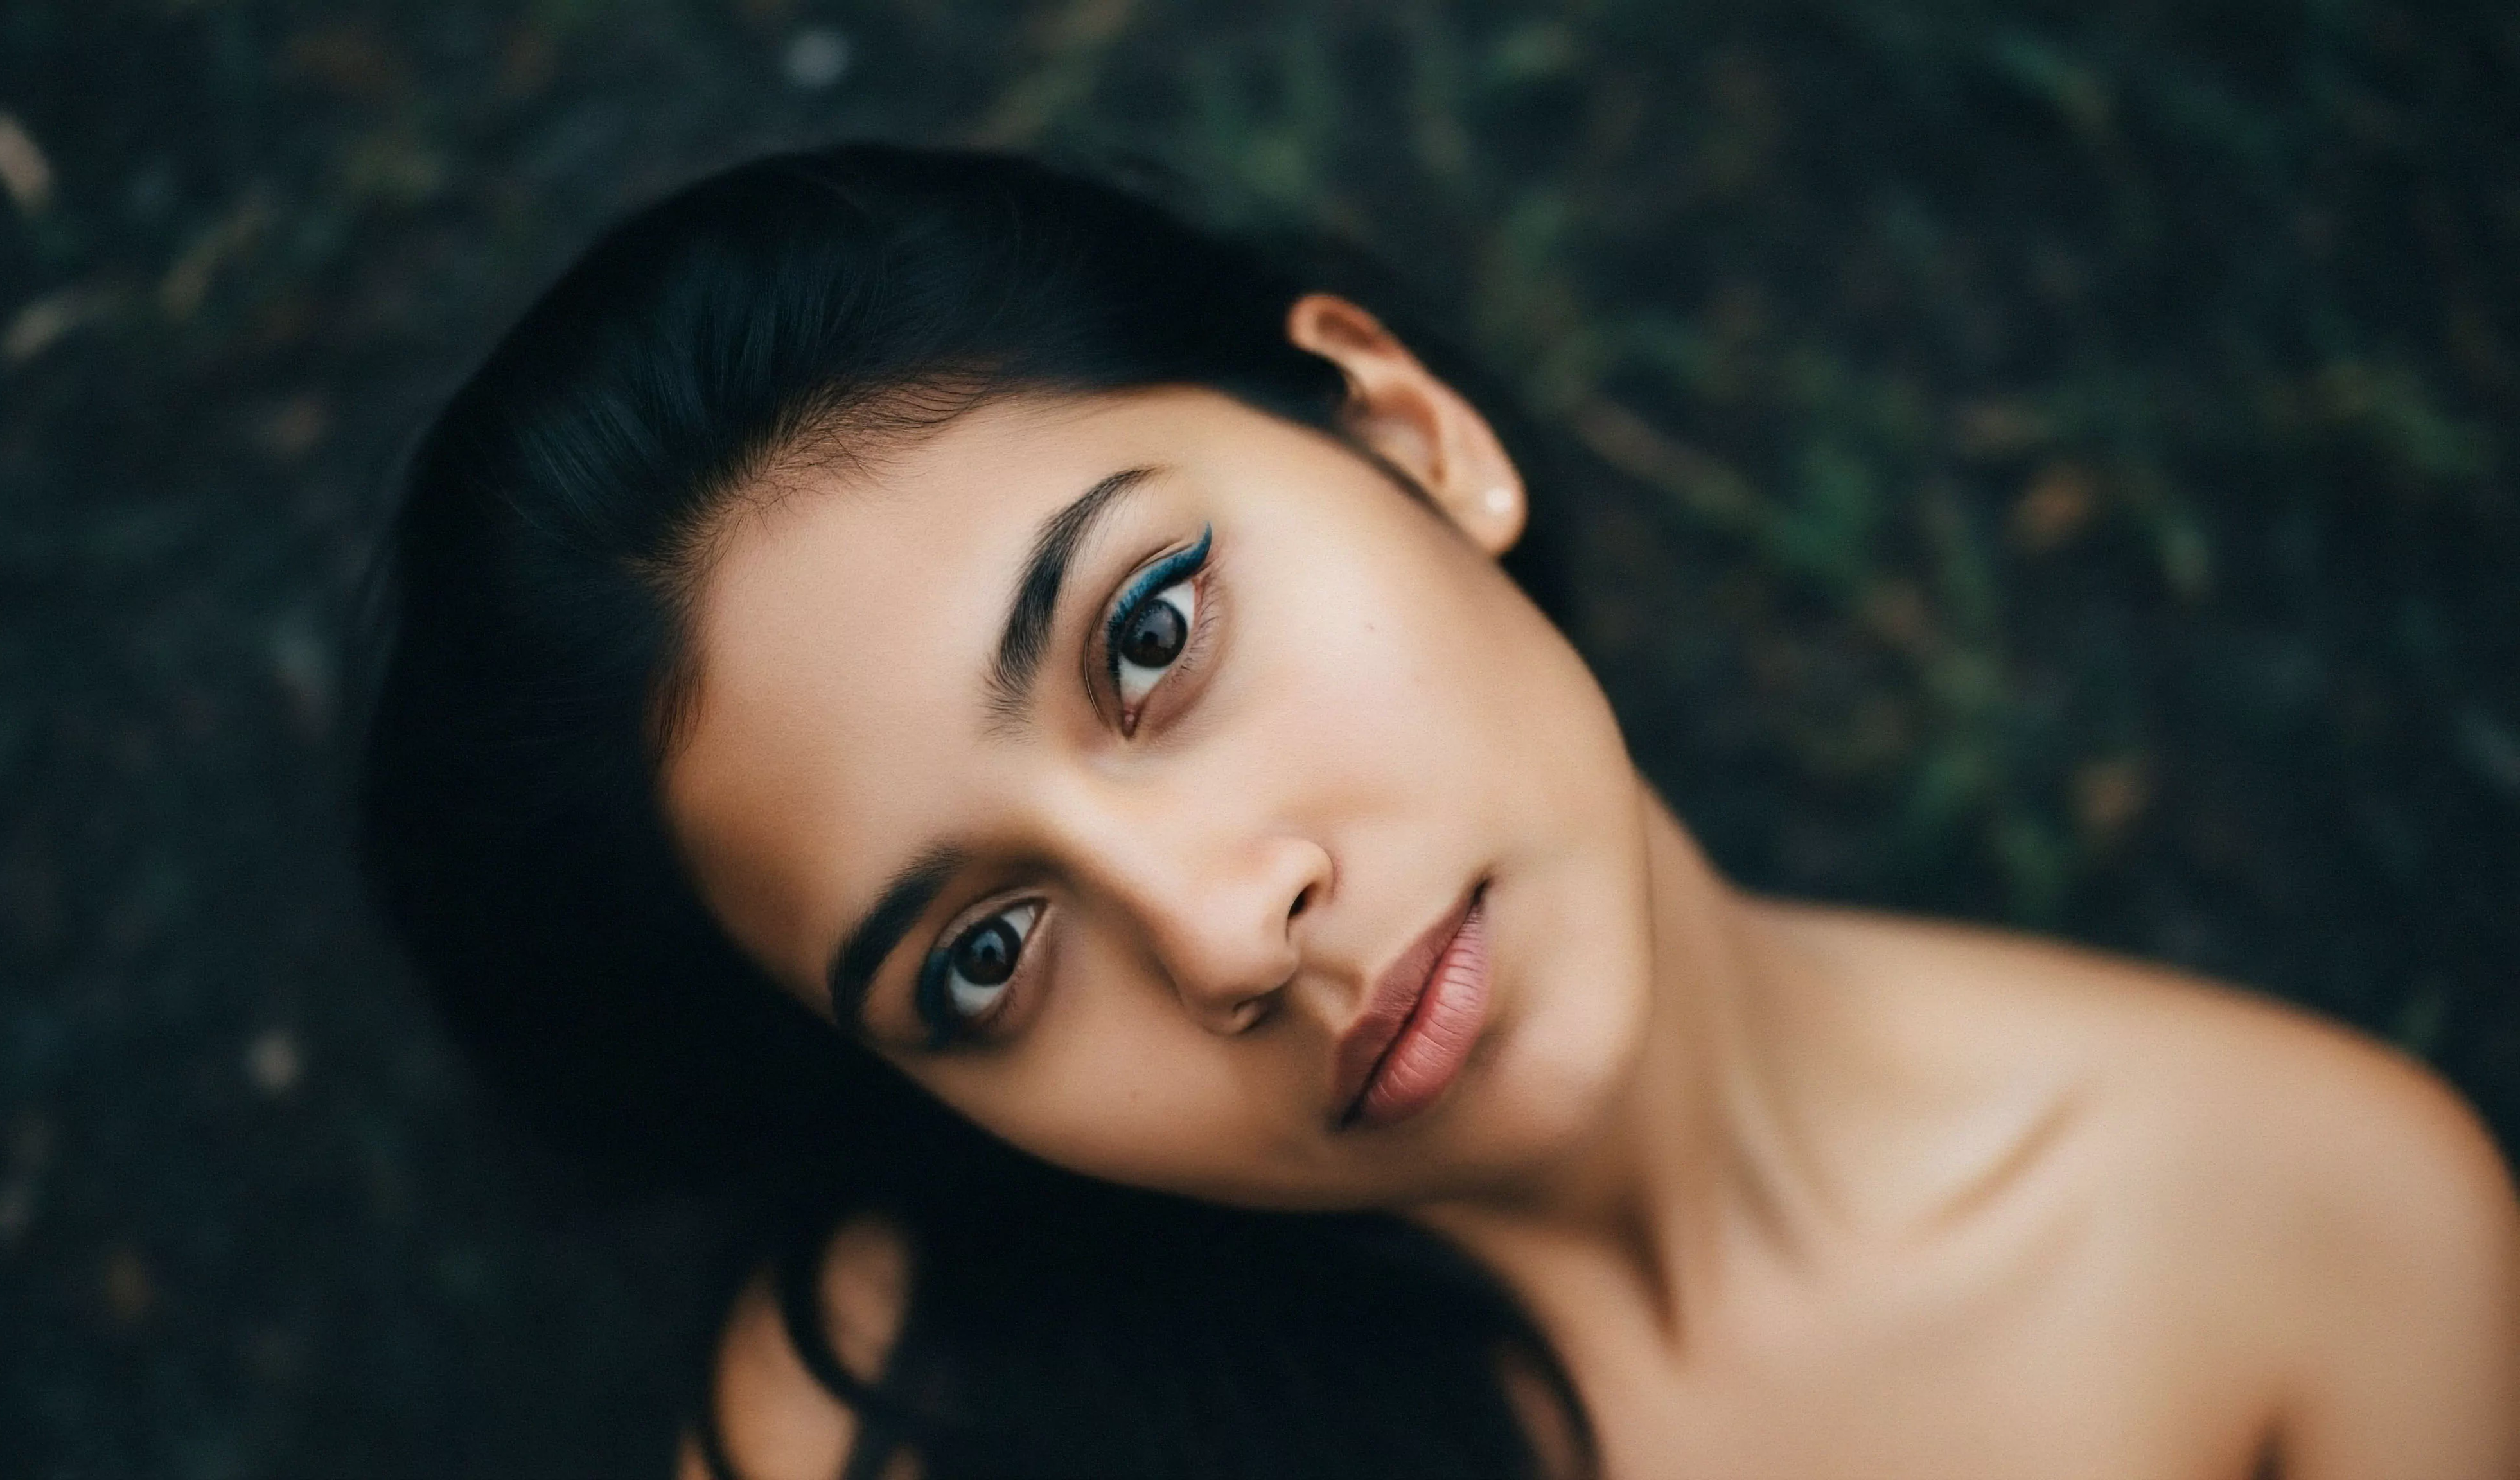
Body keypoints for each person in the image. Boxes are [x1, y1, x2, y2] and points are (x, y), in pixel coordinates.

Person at [355, 145, 2520, 1480]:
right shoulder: (885, 1427)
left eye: (1148, 636)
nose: (1222, 933)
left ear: (1408, 433)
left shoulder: (2325, 1245)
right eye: (985, 958)